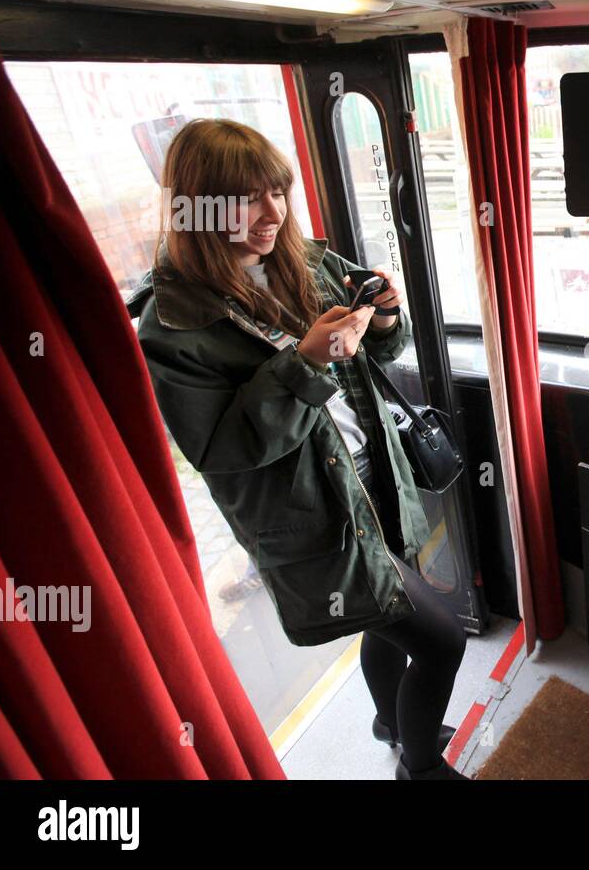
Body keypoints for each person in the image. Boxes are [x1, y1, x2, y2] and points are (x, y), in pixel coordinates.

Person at [129, 119, 468, 780]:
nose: (273, 213)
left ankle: (392, 721)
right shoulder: (171, 326)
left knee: (388, 618)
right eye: (247, 199)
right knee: (443, 641)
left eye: (278, 192)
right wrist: (305, 363)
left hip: (376, 473)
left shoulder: (307, 263)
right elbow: (221, 450)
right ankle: (419, 768)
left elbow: (379, 357)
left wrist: (387, 316)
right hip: (315, 509)